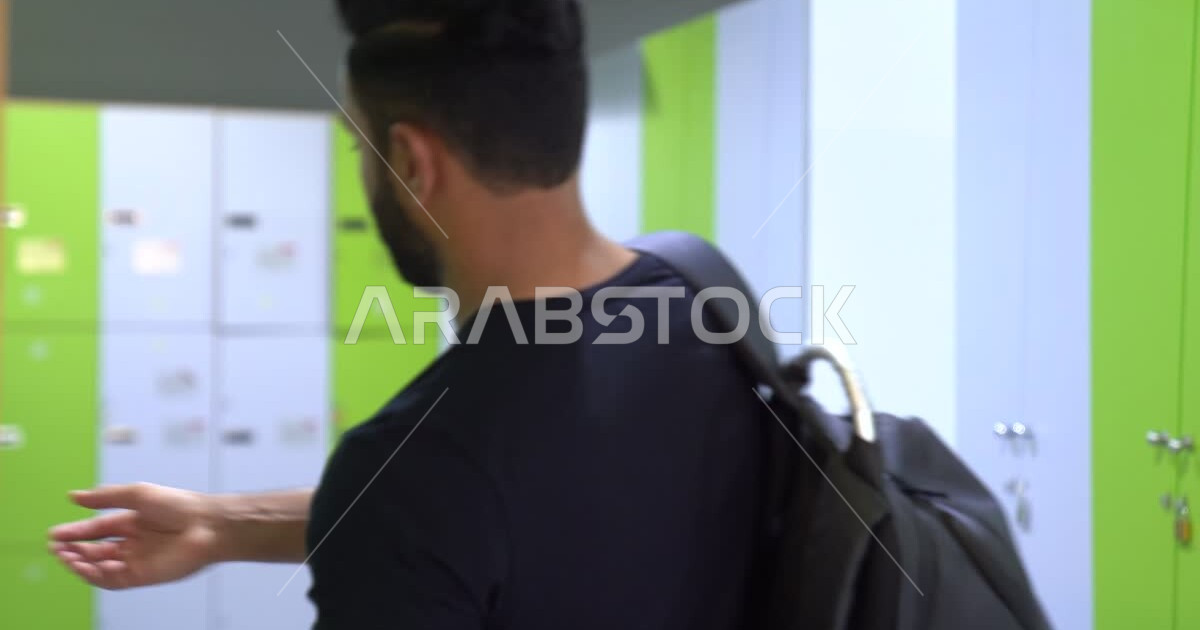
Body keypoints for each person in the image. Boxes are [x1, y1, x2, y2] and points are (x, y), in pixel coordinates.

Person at [49, 1, 766, 628]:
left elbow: (452, 512)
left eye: (361, 149)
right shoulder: (702, 301)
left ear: (412, 164)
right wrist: (221, 525)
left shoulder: (418, 465)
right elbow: (537, 514)